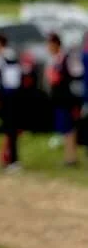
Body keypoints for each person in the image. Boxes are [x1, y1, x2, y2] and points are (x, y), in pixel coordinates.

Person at [0, 33, 23, 171]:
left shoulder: (8, 57)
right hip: (4, 96)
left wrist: (1, 94)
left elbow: (11, 81)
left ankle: (14, 161)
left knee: (12, 129)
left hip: (11, 97)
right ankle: (8, 159)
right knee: (8, 129)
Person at [45, 32, 79, 167]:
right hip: (59, 100)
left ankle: (71, 158)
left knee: (69, 129)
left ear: (55, 44)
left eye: (49, 44)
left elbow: (72, 76)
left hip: (67, 99)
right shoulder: (54, 60)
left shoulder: (66, 58)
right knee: (65, 130)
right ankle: (68, 156)